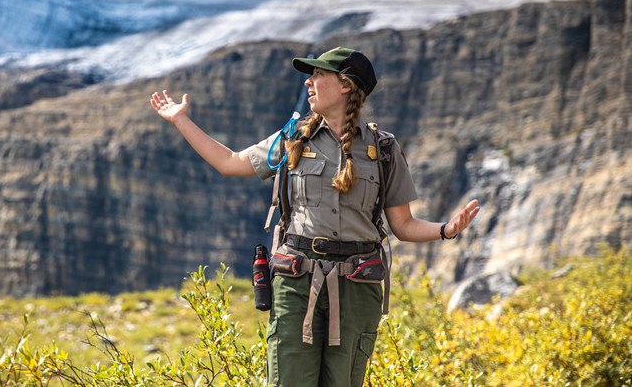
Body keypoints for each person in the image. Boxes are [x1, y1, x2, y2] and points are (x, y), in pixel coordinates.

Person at [150, 46, 480, 387]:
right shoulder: (292, 137)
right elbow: (230, 162)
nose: (310, 82)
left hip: (357, 288)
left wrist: (446, 229)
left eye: (319, 74)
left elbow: (403, 225)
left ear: (346, 86)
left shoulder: (383, 150)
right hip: (296, 281)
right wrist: (181, 120)